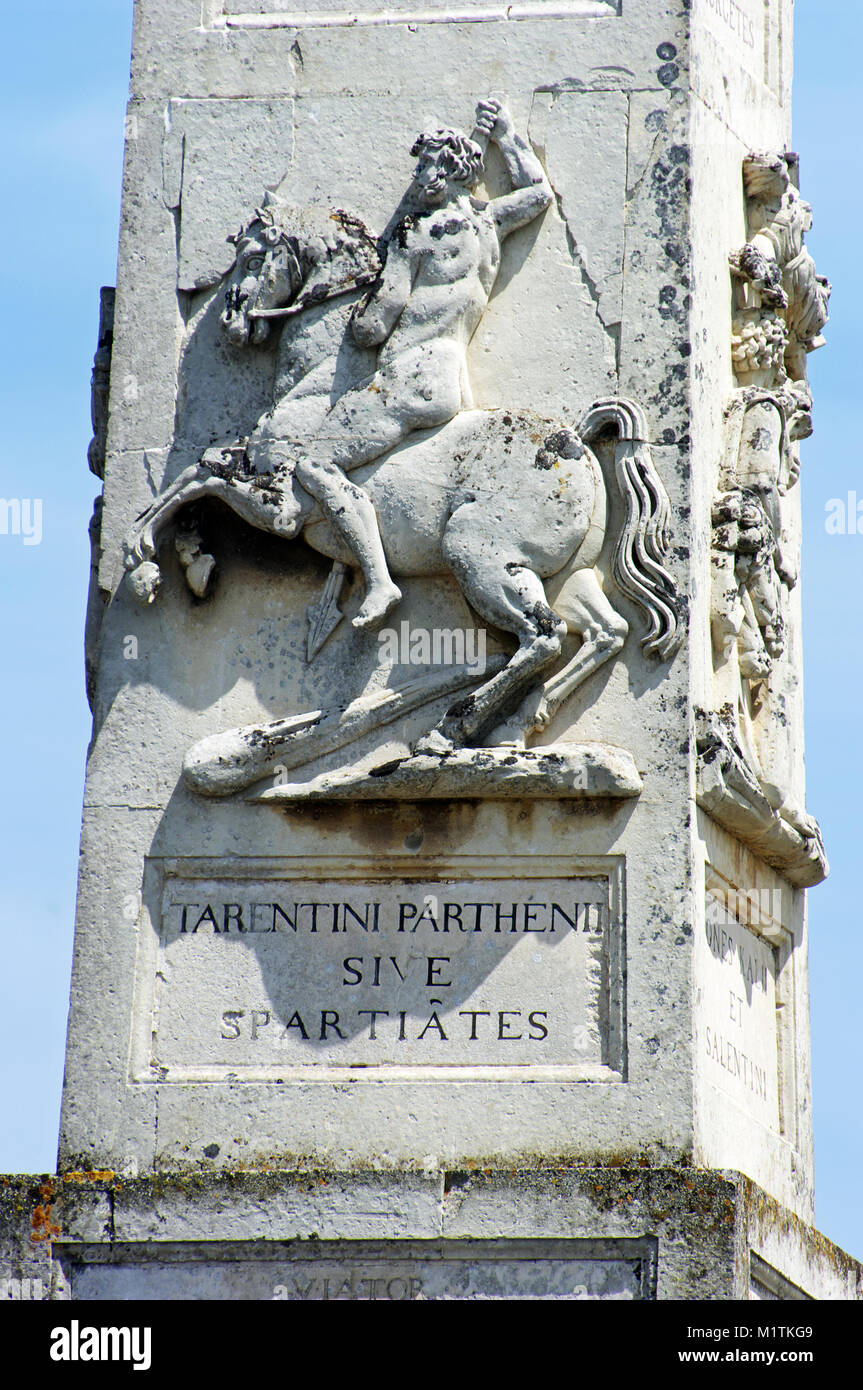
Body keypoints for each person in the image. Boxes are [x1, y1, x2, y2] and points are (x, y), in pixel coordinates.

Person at [246, 98, 552, 629]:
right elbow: (540, 193)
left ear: (444, 171)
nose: (418, 173)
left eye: (426, 164)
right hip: (451, 371)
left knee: (315, 463)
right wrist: (507, 136)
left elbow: (374, 325)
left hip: (409, 374)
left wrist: (350, 304)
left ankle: (379, 580)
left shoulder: (417, 235)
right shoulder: (487, 222)